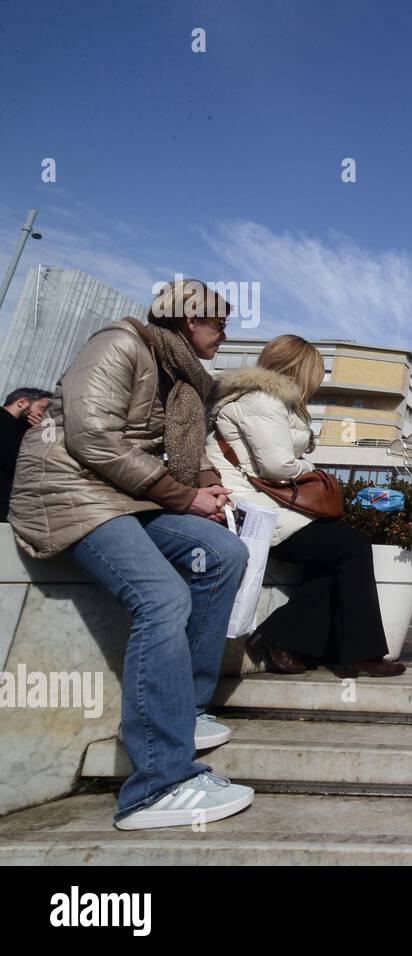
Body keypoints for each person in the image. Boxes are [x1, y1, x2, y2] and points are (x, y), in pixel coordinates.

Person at [7, 278, 253, 831]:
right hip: (69, 492)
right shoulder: (119, 343)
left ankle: (182, 711)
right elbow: (91, 437)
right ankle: (156, 785)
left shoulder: (183, 375)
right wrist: (183, 496)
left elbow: (186, 447)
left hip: (123, 497)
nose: (225, 334)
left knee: (222, 553)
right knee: (162, 597)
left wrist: (206, 488)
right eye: (221, 323)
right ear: (191, 320)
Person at [208, 335, 404, 678]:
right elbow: (277, 466)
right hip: (256, 511)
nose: (318, 381)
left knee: (338, 558)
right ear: (300, 370)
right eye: (317, 372)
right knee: (352, 546)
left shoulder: (266, 401)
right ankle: (361, 651)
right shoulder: (263, 400)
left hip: (266, 505)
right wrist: (312, 471)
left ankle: (284, 638)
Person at [1, 387, 52, 521]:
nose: (44, 416)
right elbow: (25, 469)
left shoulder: (21, 432)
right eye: (43, 409)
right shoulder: (5, 423)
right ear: (22, 402)